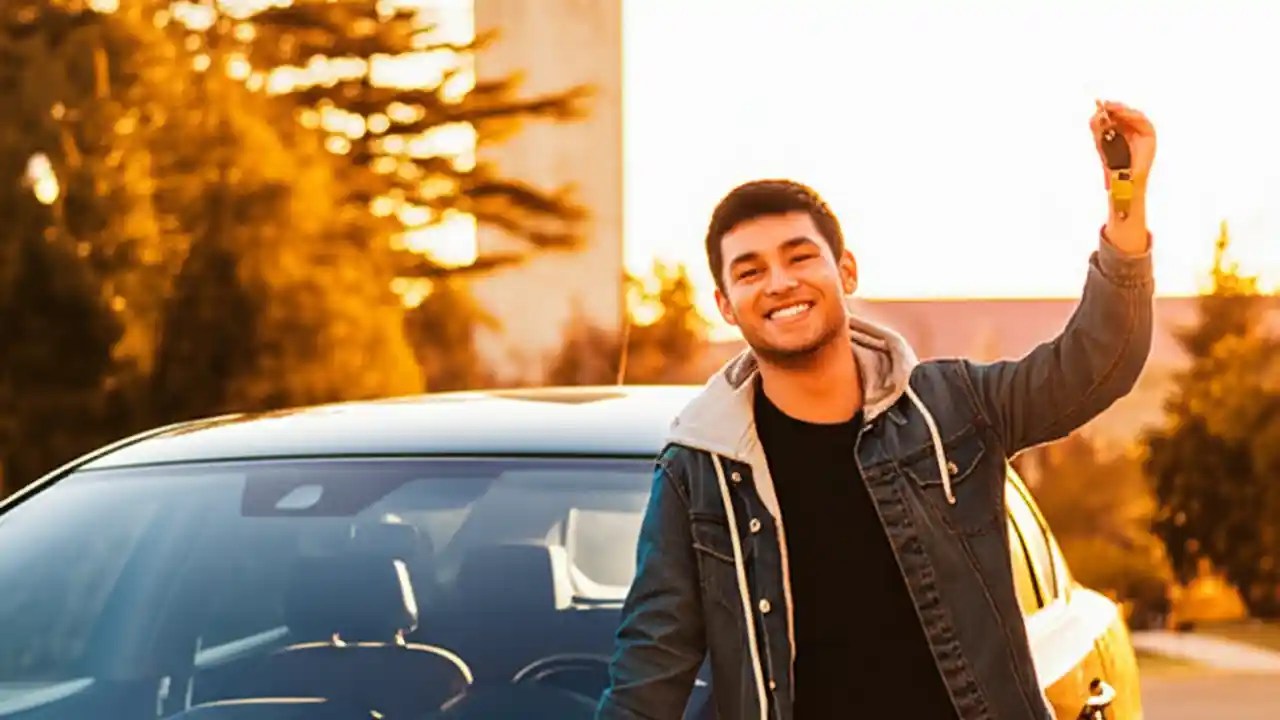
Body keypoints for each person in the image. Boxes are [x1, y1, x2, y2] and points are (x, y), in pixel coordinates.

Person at [596, 101, 1156, 720]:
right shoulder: (699, 473)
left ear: (846, 270)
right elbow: (649, 668)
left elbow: (1096, 363)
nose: (779, 282)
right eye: (750, 272)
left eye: (799, 257)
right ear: (727, 305)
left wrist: (1125, 199)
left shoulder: (952, 410)